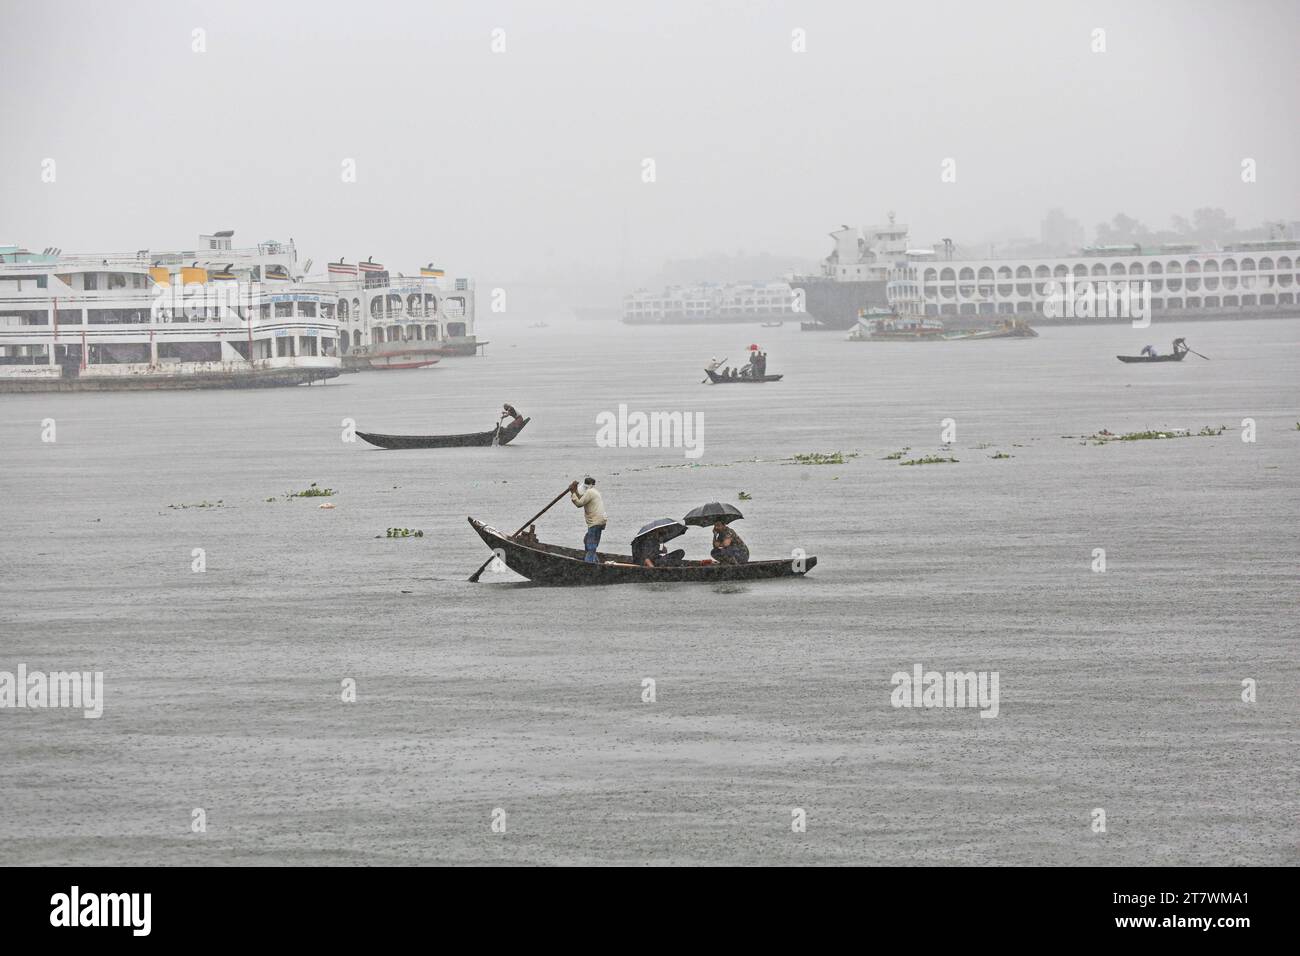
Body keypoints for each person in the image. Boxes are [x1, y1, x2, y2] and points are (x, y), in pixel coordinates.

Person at [570, 477, 607, 563]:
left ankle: (589, 565)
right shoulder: (595, 492)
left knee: (591, 545)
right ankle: (596, 561)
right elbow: (582, 498)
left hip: (595, 522)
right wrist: (574, 491)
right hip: (601, 521)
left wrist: (573, 493)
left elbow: (579, 503)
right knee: (587, 540)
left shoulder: (590, 492)